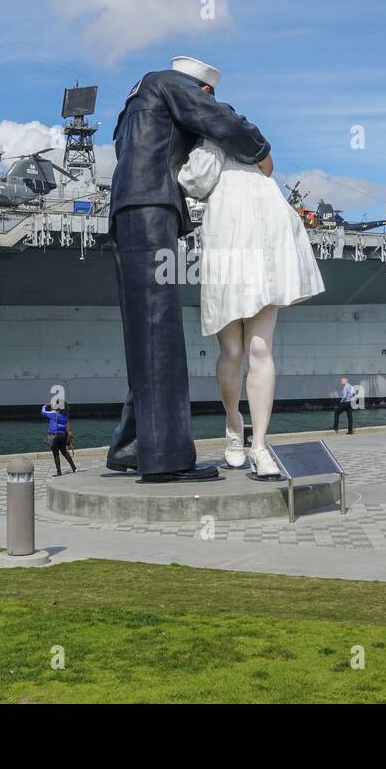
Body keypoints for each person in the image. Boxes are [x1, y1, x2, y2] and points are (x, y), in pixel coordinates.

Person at [105, 56, 271, 483]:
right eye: (206, 95)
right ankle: (167, 458)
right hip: (151, 208)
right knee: (161, 331)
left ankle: (133, 445)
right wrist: (261, 149)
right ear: (202, 89)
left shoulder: (133, 103)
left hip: (126, 211)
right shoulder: (173, 85)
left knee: (142, 335)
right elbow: (221, 122)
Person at [190, 115, 324, 478]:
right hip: (228, 251)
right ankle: (234, 425)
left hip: (265, 250)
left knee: (260, 350)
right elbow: (194, 182)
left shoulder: (253, 150)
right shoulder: (211, 147)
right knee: (232, 352)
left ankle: (260, 444)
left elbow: (266, 167)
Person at [42, 402, 76, 476]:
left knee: (56, 454)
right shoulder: (66, 416)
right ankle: (74, 468)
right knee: (64, 452)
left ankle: (59, 472)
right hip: (63, 435)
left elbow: (43, 412)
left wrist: (45, 405)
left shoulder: (54, 414)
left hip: (54, 436)